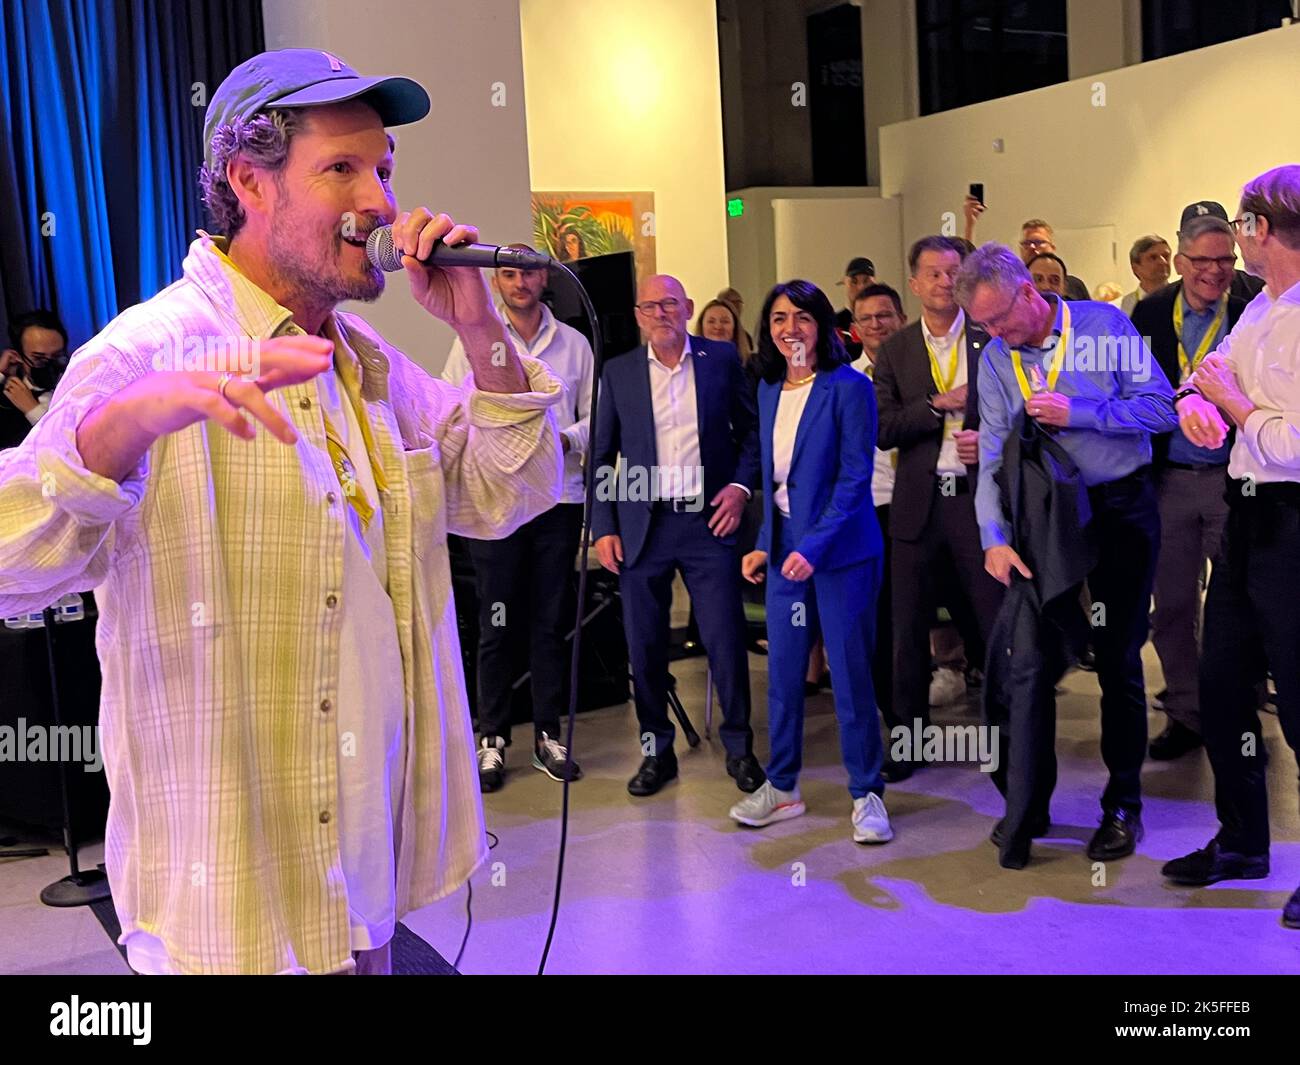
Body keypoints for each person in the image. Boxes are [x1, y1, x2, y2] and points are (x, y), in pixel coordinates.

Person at [0, 49, 566, 975]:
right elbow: (10, 560)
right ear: (248, 180)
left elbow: (507, 489)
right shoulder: (149, 352)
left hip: (363, 874)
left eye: (383, 169)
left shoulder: (364, 361)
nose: (381, 201)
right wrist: (113, 437)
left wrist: (478, 327)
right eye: (341, 169)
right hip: (228, 907)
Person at [957, 242, 1177, 867]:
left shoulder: (1104, 327)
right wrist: (993, 538)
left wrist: (1080, 412)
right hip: (1045, 521)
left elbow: (1163, 408)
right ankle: (1028, 803)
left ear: (1030, 290)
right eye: (985, 327)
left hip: (1118, 509)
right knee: (1026, 665)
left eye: (1002, 319)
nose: (997, 335)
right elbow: (995, 454)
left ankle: (1122, 805)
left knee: (1117, 661)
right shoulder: (997, 357)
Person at [1162, 166, 1300, 931]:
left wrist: (1235, 408)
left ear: (1269, 230)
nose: (1235, 239)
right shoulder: (1261, 308)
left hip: (1292, 518)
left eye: (1245, 225)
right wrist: (1195, 409)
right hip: (1245, 515)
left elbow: (1294, 445)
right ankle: (1244, 838)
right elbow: (1206, 379)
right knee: (1221, 685)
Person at [591, 274, 763, 797]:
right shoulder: (618, 372)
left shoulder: (720, 360)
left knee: (725, 638)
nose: (661, 313)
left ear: (687, 308)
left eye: (670, 303)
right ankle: (655, 753)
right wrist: (603, 527)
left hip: (708, 521)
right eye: (650, 306)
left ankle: (740, 749)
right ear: (639, 315)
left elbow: (753, 431)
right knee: (643, 647)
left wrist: (739, 487)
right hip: (642, 526)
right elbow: (601, 456)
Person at [734, 280, 891, 843]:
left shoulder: (849, 387)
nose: (788, 328)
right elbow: (777, 481)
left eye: (801, 317)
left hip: (841, 551)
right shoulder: (770, 390)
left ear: (822, 325)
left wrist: (811, 546)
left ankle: (867, 793)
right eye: (778, 318)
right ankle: (781, 787)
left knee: (849, 675)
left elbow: (853, 478)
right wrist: (765, 542)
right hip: (783, 551)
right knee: (783, 674)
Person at [442, 248, 594, 791]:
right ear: (497, 281)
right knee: (496, 622)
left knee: (549, 621)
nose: (519, 281)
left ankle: (549, 735)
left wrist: (558, 441)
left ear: (543, 277)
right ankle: (492, 739)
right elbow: (454, 411)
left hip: (557, 501)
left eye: (528, 271)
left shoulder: (574, 345)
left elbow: (594, 417)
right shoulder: (473, 342)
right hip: (497, 506)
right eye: (508, 273)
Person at [874, 236, 1003, 782]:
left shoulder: (991, 337)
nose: (944, 282)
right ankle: (908, 742)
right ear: (915, 283)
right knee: (908, 634)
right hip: (916, 510)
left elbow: (1019, 410)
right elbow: (883, 429)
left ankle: (1006, 738)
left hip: (977, 504)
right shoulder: (897, 350)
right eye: (933, 273)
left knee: (993, 627)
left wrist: (984, 432)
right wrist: (936, 404)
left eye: (954, 272)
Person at [1131, 215, 1247, 761]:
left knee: (1238, 607)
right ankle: (1186, 711)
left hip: (1234, 479)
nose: (1214, 272)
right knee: (1173, 605)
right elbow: (1135, 388)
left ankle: (1236, 719)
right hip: (1170, 482)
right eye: (1201, 261)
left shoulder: (1254, 303)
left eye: (1224, 260)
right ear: (1179, 263)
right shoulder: (1152, 312)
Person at [849, 282, 906, 749]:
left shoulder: (920, 372)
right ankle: (895, 717)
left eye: (884, 315)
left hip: (920, 505)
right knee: (881, 621)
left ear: (900, 320)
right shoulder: (847, 381)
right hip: (868, 510)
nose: (876, 325)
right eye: (866, 319)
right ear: (854, 329)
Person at [0, 309, 69, 449]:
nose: (49, 365)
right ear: (18, 356)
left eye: (57, 356)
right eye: (38, 358)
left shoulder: (77, 384)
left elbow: (69, 445)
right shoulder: (6, 392)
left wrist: (33, 410)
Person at [1177, 200, 1265, 303]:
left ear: (1234, 233)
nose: (1208, 240)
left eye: (1218, 231)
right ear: (1180, 239)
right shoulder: (1162, 304)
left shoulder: (1260, 293)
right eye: (1196, 234)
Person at [834, 256, 876, 359]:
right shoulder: (833, 323)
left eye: (866, 281)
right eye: (854, 281)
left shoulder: (879, 323)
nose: (861, 287)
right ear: (845, 283)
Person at [1120, 235, 1172, 316]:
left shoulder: (1183, 298)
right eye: (1153, 257)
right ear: (1136, 268)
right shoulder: (1127, 304)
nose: (1163, 262)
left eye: (1166, 256)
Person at [695, 297, 753, 363]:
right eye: (711, 321)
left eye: (725, 321)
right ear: (701, 326)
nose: (718, 326)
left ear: (735, 326)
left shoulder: (752, 364)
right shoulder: (689, 362)